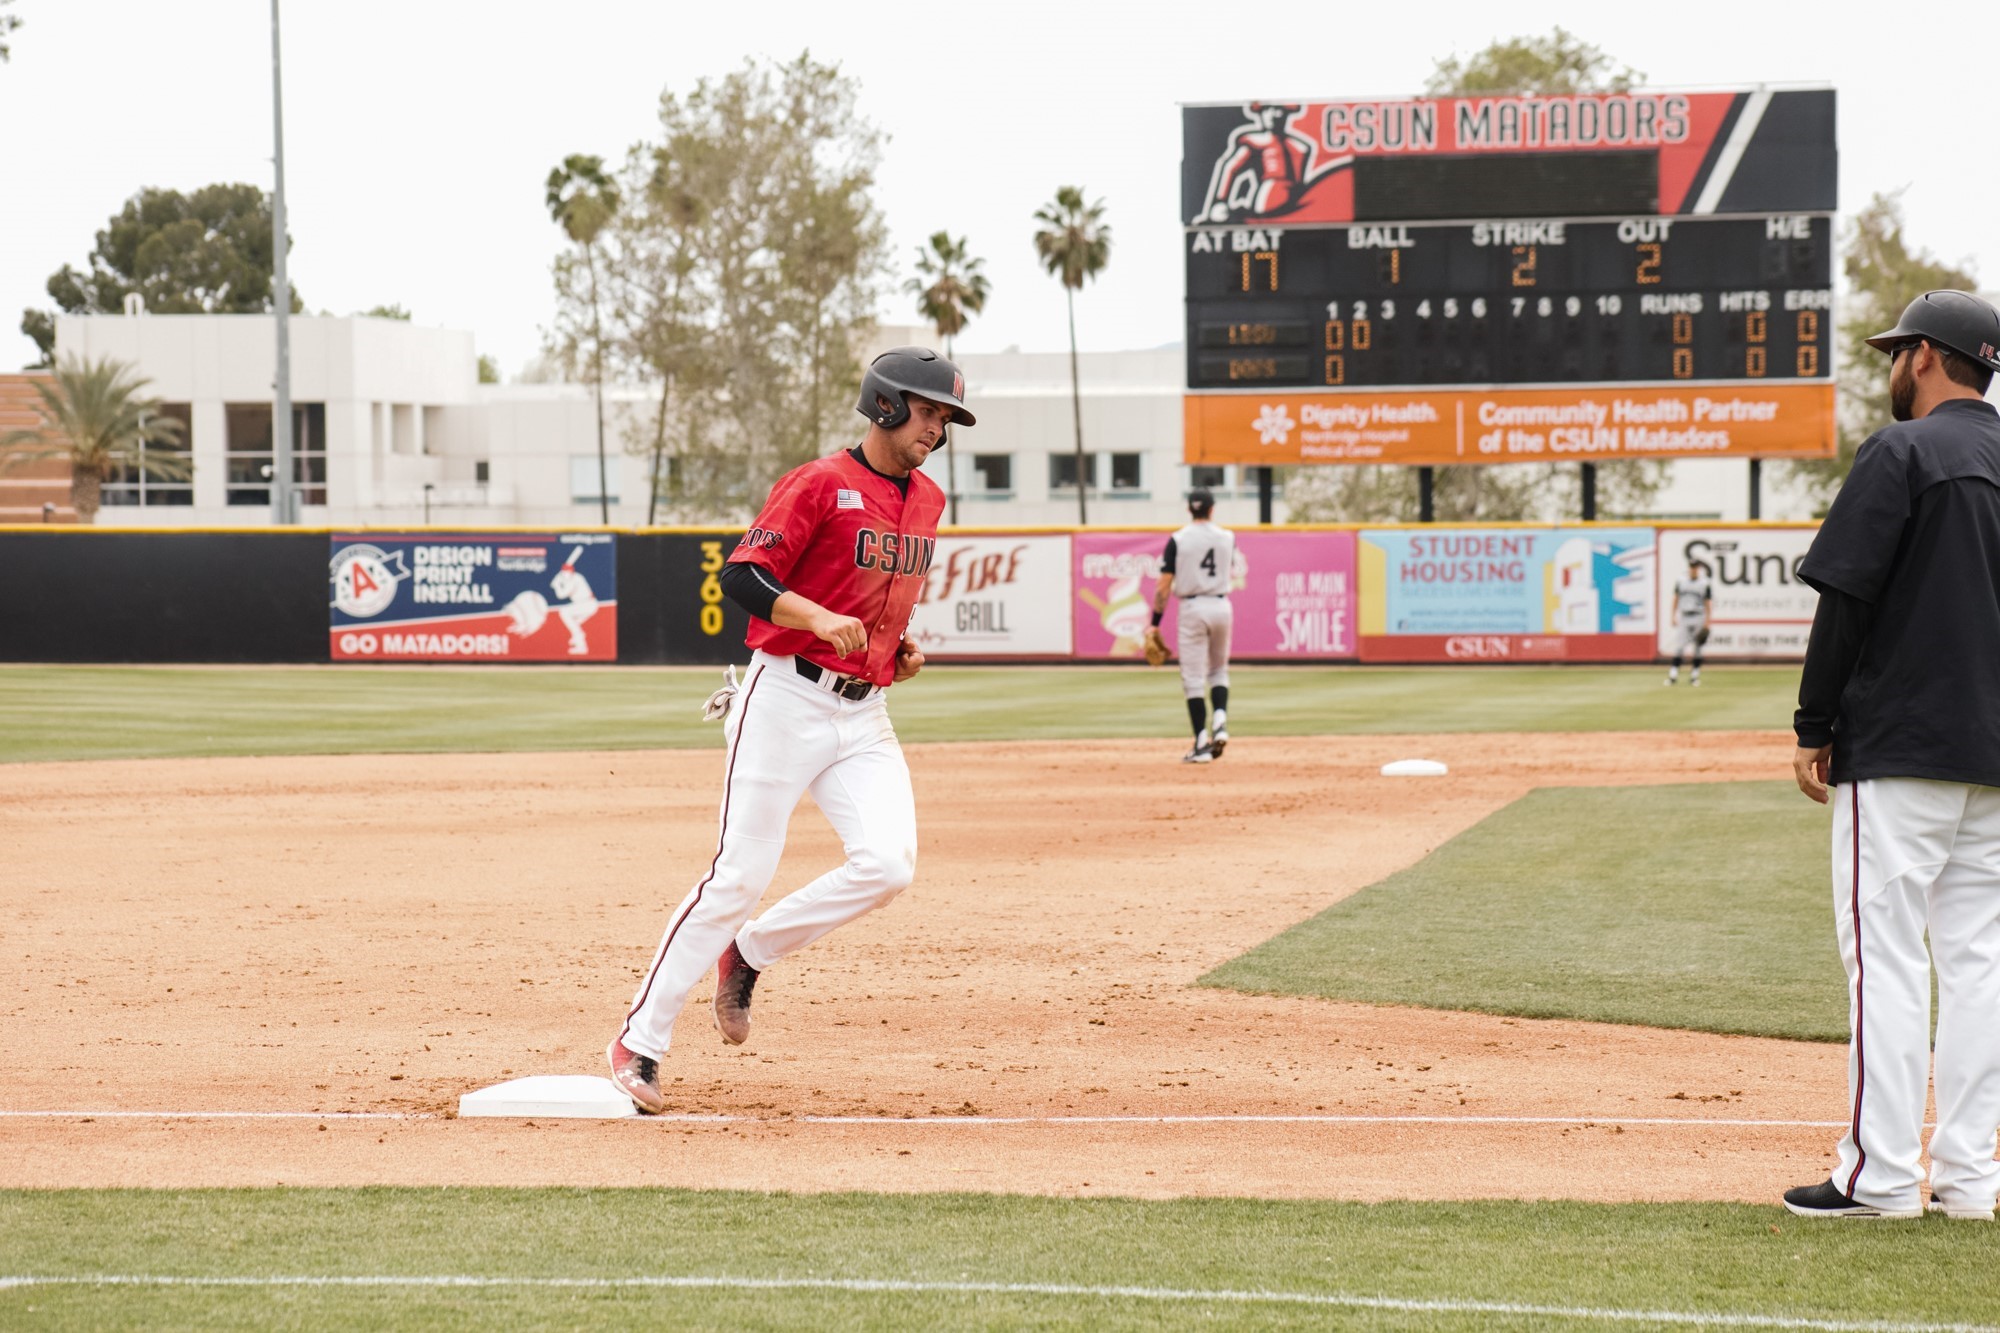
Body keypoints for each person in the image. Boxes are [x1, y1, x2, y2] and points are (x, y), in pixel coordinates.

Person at [606, 347, 972, 1114]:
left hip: (863, 712)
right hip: (783, 701)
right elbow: (742, 576)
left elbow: (874, 599)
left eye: (945, 418)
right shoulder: (819, 482)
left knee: (888, 863)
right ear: (885, 404)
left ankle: (748, 954)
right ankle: (640, 1040)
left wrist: (892, 652)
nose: (936, 430)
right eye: (930, 411)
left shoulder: (930, 501)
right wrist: (814, 616)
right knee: (738, 873)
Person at [1784, 289, 2000, 1221]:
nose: (1891, 362)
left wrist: (1812, 722)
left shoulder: (1903, 450)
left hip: (1904, 750)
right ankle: (1970, 1177)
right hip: (1995, 763)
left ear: (1923, 356)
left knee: (1890, 962)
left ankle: (1878, 1179)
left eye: (1897, 348)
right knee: (1980, 964)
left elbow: (1847, 599)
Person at [1150, 487, 1235, 763]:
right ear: (1211, 509)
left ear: (1189, 509)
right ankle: (1220, 720)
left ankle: (1201, 741)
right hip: (1221, 604)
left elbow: (1164, 584)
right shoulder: (1227, 537)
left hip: (1192, 607)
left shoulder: (1179, 539)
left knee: (1193, 678)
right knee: (1218, 670)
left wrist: (1154, 623)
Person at [1665, 558, 1713, 685]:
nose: (1693, 569)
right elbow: (1676, 598)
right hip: (1685, 616)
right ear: (1689, 567)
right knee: (1679, 647)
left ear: (1699, 568)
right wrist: (1673, 616)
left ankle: (1694, 676)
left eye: (1696, 567)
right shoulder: (1681, 581)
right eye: (1692, 566)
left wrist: (1708, 621)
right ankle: (1673, 675)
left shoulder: (1704, 583)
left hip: (1699, 616)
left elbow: (1707, 602)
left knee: (1698, 648)